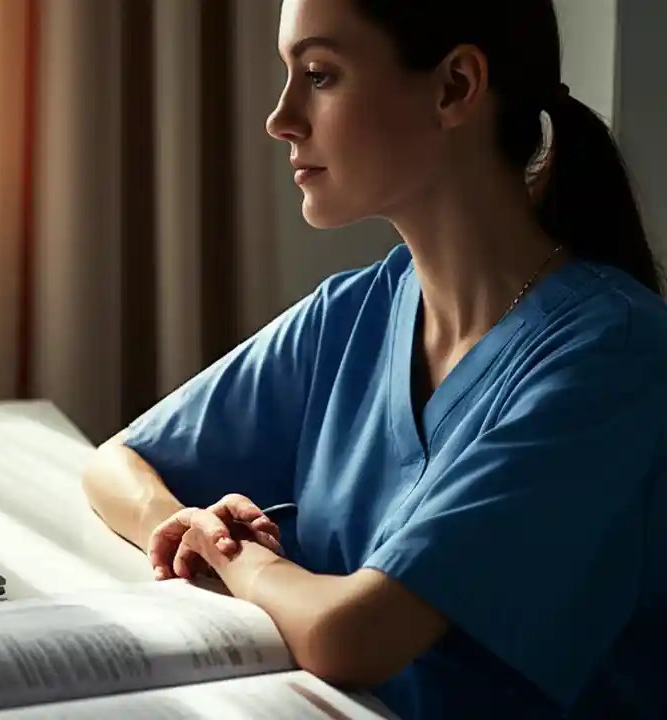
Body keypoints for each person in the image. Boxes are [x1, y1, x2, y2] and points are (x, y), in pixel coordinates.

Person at [81, 0, 667, 717]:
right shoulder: (356, 310)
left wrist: (237, 557)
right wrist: (182, 526)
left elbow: (351, 635)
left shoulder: (610, 354)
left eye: (320, 75)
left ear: (454, 86)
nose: (281, 118)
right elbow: (118, 463)